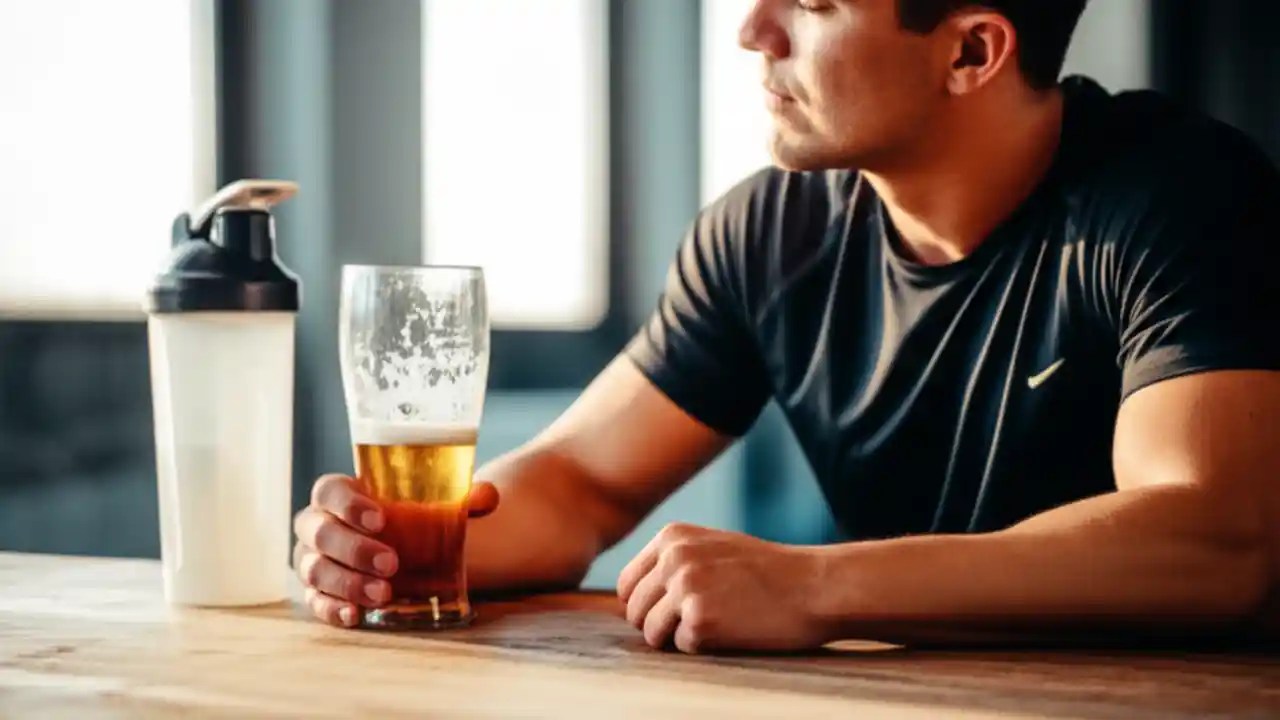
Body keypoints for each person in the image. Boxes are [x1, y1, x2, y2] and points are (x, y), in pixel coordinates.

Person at [293, 0, 1280, 652]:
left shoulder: (1180, 196)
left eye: (811, 4)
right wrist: (398, 548)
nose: (752, 30)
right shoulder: (769, 232)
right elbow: (580, 482)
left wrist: (814, 587)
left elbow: (1216, 541)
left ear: (971, 51)